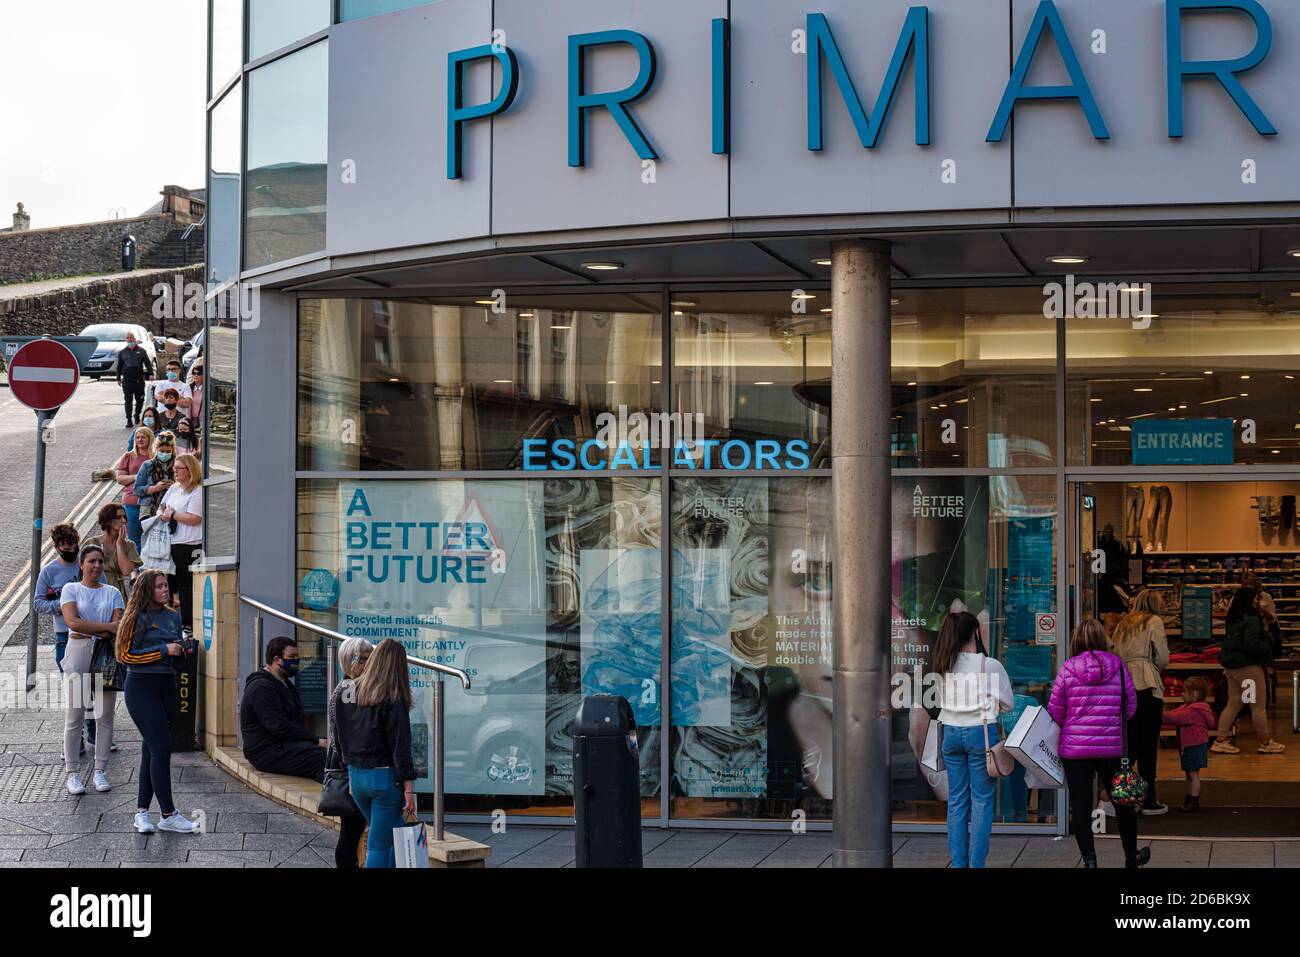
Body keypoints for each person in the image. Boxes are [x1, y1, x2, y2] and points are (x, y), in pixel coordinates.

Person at [1049, 618, 1146, 868]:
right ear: (1103, 639)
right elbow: (1131, 708)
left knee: (1081, 804)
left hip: (1075, 750)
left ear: (1076, 640)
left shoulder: (1068, 668)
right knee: (1122, 801)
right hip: (1111, 747)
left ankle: (1090, 861)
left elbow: (1055, 712)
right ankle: (1130, 856)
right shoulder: (1119, 667)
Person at [117, 569, 200, 834]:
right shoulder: (136, 618)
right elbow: (126, 655)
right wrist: (164, 650)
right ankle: (168, 813)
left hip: (167, 685)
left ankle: (142, 813)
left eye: (167, 585)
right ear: (146, 591)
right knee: (162, 748)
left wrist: (181, 650)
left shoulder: (173, 616)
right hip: (141, 687)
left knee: (150, 749)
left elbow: (175, 650)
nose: (166, 590)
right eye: (160, 586)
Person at [932, 611, 1013, 869]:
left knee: (956, 801)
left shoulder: (943, 663)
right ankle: (977, 865)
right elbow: (1008, 704)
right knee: (981, 801)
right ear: (975, 633)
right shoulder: (988, 665)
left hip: (950, 733)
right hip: (981, 733)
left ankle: (958, 864)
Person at [334, 638, 416, 868]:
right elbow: (401, 745)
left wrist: (349, 771)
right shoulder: (393, 696)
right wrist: (409, 788)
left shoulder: (347, 691)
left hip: (356, 777)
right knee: (380, 844)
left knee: (389, 838)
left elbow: (339, 736)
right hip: (384, 779)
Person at [58, 545, 124, 796]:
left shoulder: (113, 592)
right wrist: (106, 627)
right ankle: (72, 773)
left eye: (99, 561)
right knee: (74, 715)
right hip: (78, 651)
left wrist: (95, 627)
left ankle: (100, 771)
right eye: (91, 561)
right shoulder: (71, 589)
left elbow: (118, 626)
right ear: (81, 565)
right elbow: (72, 622)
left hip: (105, 654)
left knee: (105, 716)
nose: (96, 566)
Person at [1109, 589, 1170, 815]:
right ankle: (1149, 799)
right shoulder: (1154, 621)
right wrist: (1154, 666)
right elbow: (1163, 656)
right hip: (1146, 683)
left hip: (1123, 684)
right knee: (1148, 744)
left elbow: (1114, 652)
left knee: (1128, 744)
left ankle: (1121, 795)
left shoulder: (1124, 623)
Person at [240, 637, 328, 780]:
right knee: (325, 759)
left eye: (297, 657)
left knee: (333, 753)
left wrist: (314, 741)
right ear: (277, 660)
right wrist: (315, 741)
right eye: (292, 657)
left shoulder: (285, 684)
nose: (296, 661)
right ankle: (333, 798)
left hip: (284, 746)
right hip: (266, 752)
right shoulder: (261, 688)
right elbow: (279, 726)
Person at [1211, 587, 1285, 754]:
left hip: (1232, 667)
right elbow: (1252, 644)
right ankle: (1265, 742)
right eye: (1255, 599)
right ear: (1250, 600)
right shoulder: (1252, 619)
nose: (1257, 602)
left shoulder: (1233, 618)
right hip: (1248, 668)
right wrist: (1267, 646)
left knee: (1234, 702)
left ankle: (1220, 739)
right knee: (1257, 705)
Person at [327, 637, 373, 870]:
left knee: (353, 831)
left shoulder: (356, 687)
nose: (369, 663)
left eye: (370, 657)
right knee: (351, 831)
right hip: (353, 773)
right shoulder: (347, 690)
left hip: (358, 771)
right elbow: (340, 738)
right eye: (363, 658)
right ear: (351, 661)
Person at [159, 453, 203, 629]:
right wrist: (165, 513)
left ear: (190, 470)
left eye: (179, 468)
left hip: (189, 544)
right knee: (170, 584)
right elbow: (163, 506)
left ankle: (188, 624)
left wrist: (173, 514)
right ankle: (171, 623)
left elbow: (195, 518)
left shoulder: (198, 490)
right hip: (172, 543)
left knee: (186, 586)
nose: (175, 471)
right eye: (174, 468)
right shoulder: (175, 488)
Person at [1162, 676, 1217, 812]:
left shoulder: (1194, 711)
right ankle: (1192, 795)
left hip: (1194, 745)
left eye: (1185, 691)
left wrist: (1159, 712)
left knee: (1193, 774)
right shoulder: (1188, 707)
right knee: (1190, 773)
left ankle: (1194, 799)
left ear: (1195, 693)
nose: (1182, 694)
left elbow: (1174, 717)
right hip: (1189, 745)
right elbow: (1175, 713)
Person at [84, 503, 140, 599]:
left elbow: (126, 571)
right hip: (94, 593)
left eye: (124, 517)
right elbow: (81, 569)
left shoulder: (129, 545)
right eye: (119, 517)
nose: (123, 520)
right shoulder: (92, 543)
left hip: (116, 594)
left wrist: (119, 545)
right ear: (108, 520)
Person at [115, 427, 154, 547]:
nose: (140, 440)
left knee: (151, 538)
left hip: (152, 502)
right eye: (137, 437)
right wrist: (138, 476)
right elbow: (120, 479)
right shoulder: (128, 456)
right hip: (132, 502)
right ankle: (137, 565)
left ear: (150, 439)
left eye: (143, 437)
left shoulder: (155, 456)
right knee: (134, 539)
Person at [134, 432, 176, 523]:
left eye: (168, 451)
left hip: (171, 508)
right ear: (156, 450)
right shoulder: (147, 465)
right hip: (149, 509)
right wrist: (155, 488)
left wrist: (174, 486)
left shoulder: (177, 465)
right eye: (162, 451)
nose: (165, 454)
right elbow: (137, 490)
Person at [116, 332, 154, 428]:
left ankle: (137, 414)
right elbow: (119, 366)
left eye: (131, 338)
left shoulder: (141, 351)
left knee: (140, 400)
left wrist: (151, 374)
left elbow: (148, 363)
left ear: (135, 339)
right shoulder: (122, 352)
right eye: (128, 338)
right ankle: (128, 419)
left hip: (139, 380)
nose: (130, 339)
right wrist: (118, 378)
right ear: (126, 340)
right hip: (127, 381)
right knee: (128, 400)